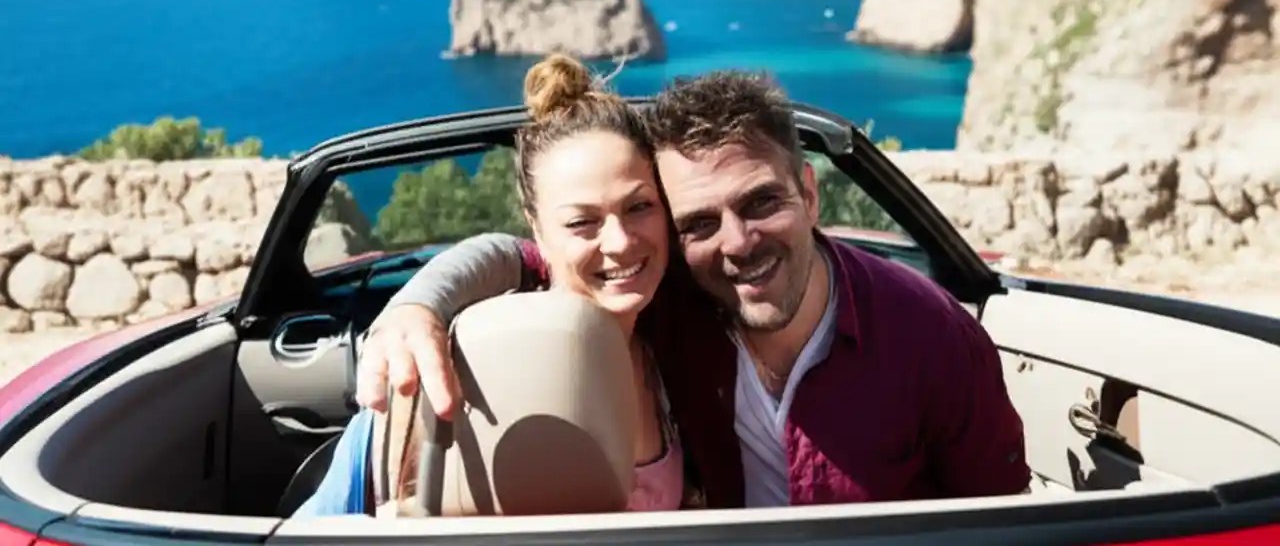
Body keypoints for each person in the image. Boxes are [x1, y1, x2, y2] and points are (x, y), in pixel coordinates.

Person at [358, 69, 1032, 509]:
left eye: (762, 203)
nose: (738, 243)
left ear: (809, 193)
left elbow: (1004, 520)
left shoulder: (931, 337)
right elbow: (533, 259)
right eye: (701, 222)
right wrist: (417, 304)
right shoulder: (671, 298)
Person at [294, 54, 688, 516]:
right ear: (537, 229)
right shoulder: (469, 364)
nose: (620, 242)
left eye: (639, 206)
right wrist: (415, 307)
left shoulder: (671, 344)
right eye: (582, 221)